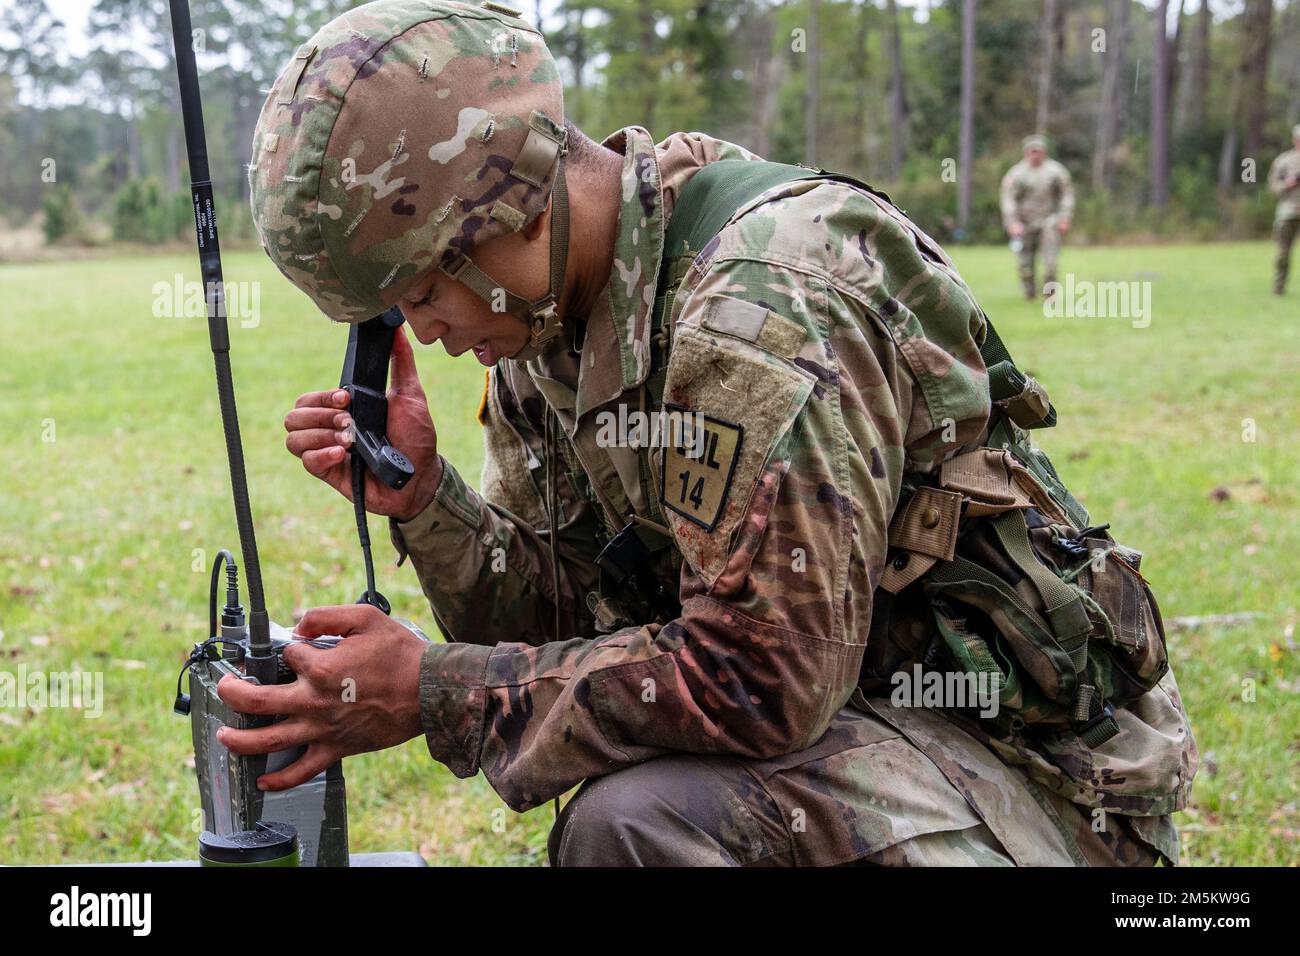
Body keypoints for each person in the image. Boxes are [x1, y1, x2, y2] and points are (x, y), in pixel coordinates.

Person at [222, 0, 1196, 866]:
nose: (427, 332)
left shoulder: (762, 305)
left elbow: (759, 680)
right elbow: (550, 626)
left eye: (424, 290)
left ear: (513, 200)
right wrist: (426, 497)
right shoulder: (546, 323)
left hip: (1039, 776)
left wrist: (429, 689)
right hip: (870, 723)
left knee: (640, 821)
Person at [1000, 135, 1075, 299]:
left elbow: (1066, 195)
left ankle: (1050, 295)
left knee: (1050, 262)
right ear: (1026, 153)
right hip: (1024, 223)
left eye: (1038, 151)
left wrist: (1064, 217)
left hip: (1049, 221)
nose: (1035, 155)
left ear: (1044, 152)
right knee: (1025, 264)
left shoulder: (1056, 172)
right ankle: (1029, 294)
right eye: (1032, 152)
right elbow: (1008, 200)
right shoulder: (1016, 174)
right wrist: (1012, 222)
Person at [1267, 124, 1300, 295]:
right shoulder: (1283, 161)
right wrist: (1287, 184)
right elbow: (1272, 187)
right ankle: (1279, 287)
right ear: (1294, 139)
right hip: (1288, 211)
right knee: (1282, 253)